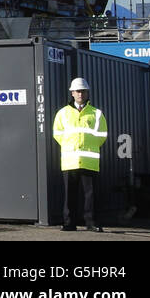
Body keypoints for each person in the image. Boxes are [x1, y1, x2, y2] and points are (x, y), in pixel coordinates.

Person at [52, 77, 107, 232]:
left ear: (87, 93)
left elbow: (102, 135)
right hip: (70, 160)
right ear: (72, 93)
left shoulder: (96, 114)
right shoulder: (63, 113)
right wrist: (71, 146)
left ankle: (91, 223)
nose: (80, 94)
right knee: (70, 194)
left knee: (90, 195)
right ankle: (69, 223)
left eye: (83, 91)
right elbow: (57, 134)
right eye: (78, 91)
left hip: (89, 160)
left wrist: (89, 147)